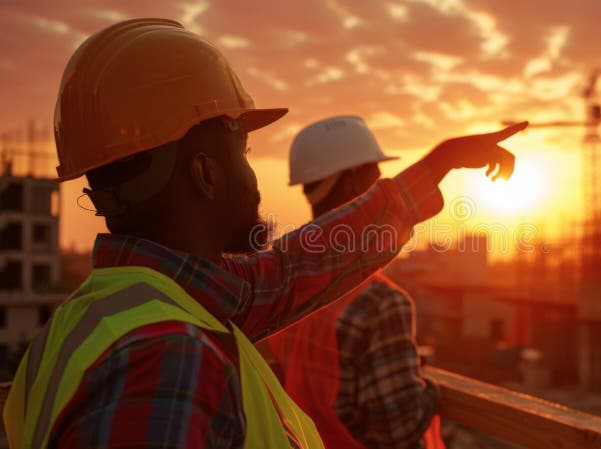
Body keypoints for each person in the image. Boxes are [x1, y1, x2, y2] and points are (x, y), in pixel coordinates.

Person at [2, 18, 526, 449]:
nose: (255, 179)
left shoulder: (107, 311)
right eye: (244, 153)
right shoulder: (167, 357)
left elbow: (292, 269)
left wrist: (436, 166)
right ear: (207, 172)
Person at [263, 116, 445, 449]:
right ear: (350, 182)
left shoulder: (284, 284)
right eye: (376, 179)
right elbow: (396, 431)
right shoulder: (381, 302)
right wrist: (430, 393)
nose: (385, 187)